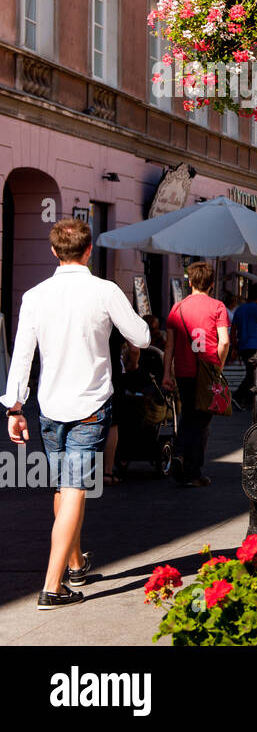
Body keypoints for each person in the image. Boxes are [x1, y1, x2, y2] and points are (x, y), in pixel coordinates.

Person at [3, 219, 150, 609]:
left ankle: (74, 565)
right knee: (74, 488)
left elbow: (22, 355)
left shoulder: (34, 295)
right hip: (90, 405)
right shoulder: (104, 291)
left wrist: (14, 407)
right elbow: (142, 337)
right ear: (88, 251)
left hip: (49, 406)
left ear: (54, 251)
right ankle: (52, 587)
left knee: (63, 488)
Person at [163, 260, 230, 486]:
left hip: (183, 370)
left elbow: (169, 346)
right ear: (211, 284)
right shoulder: (218, 307)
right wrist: (218, 366)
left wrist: (166, 374)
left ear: (189, 282)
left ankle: (181, 456)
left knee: (190, 414)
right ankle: (192, 469)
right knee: (202, 420)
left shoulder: (177, 308)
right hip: (207, 371)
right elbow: (224, 342)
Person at [229, 284, 257, 411]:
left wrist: (234, 347)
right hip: (256, 345)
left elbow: (233, 331)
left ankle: (247, 399)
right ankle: (238, 396)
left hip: (243, 346)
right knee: (254, 374)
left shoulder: (240, 310)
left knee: (251, 372)